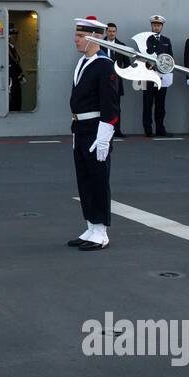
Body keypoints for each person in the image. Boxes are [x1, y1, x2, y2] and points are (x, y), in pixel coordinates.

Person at [67, 17, 118, 251]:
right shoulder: (82, 62)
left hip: (96, 130)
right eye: (76, 35)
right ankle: (90, 226)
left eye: (80, 37)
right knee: (84, 180)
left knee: (98, 181)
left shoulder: (105, 65)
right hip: (81, 129)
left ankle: (101, 232)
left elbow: (111, 104)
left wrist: (105, 136)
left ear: (95, 38)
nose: (75, 40)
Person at [142, 14, 172, 136]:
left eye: (158, 25)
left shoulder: (166, 41)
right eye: (154, 25)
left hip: (162, 76)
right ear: (151, 26)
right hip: (148, 76)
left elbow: (170, 59)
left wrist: (167, 71)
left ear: (162, 27)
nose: (156, 27)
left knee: (161, 105)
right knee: (147, 104)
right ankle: (148, 130)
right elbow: (140, 57)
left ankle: (160, 128)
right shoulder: (145, 39)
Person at [104, 22, 127, 137]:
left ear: (116, 32)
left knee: (116, 107)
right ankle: (104, 131)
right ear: (106, 32)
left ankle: (116, 130)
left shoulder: (122, 46)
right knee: (103, 106)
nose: (111, 33)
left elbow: (127, 64)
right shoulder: (99, 45)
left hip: (116, 82)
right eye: (109, 31)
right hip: (102, 81)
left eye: (113, 31)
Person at [7, 27, 25, 112]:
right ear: (9, 37)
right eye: (14, 36)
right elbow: (11, 66)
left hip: (16, 81)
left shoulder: (12, 49)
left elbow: (17, 64)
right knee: (13, 104)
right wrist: (18, 76)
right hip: (11, 82)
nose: (15, 38)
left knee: (17, 103)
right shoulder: (6, 50)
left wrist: (21, 76)